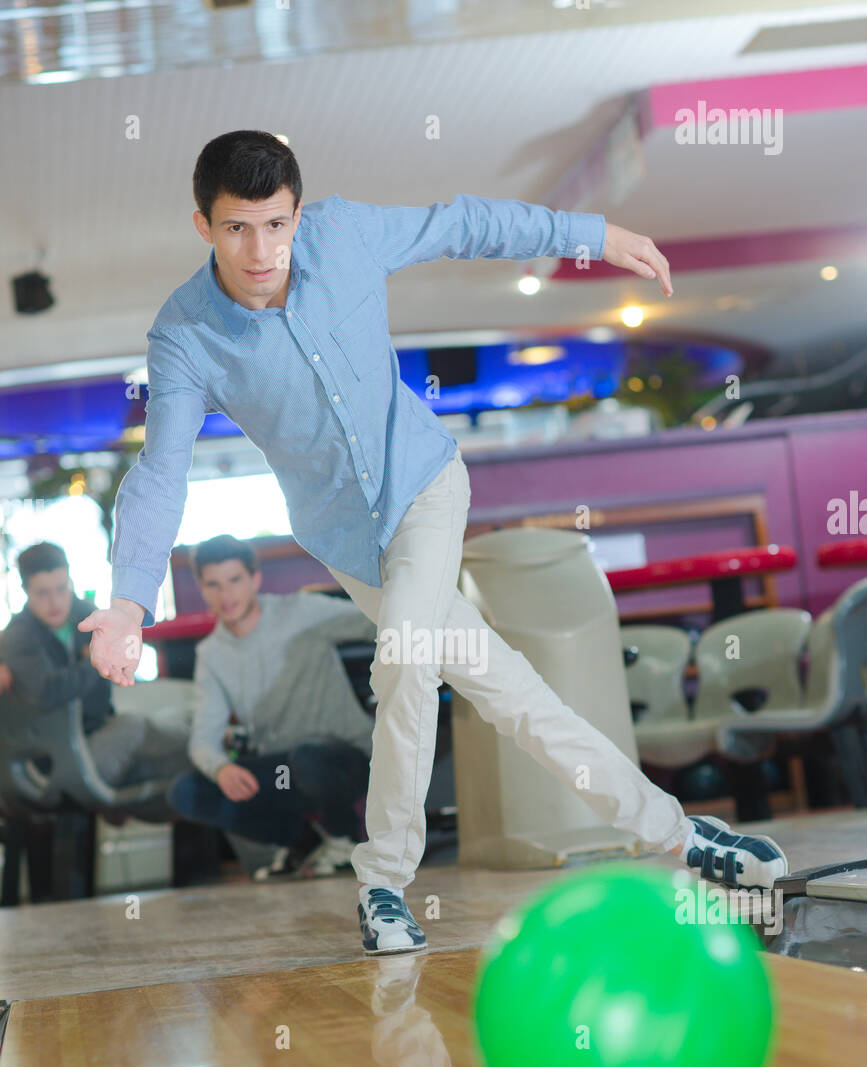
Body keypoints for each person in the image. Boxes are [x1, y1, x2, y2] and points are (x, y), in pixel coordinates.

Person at [80, 129, 788, 955]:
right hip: (348, 541)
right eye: (237, 228)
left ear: (298, 215)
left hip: (422, 486)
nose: (260, 249)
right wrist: (129, 598)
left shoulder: (344, 233)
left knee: (406, 663)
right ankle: (682, 835)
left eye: (275, 224)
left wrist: (595, 237)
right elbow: (163, 470)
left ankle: (381, 880)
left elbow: (464, 223)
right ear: (203, 226)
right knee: (513, 695)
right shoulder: (185, 335)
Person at [167, 534, 376, 879]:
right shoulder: (212, 655)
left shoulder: (300, 612)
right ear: (203, 590)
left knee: (309, 758)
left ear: (255, 579)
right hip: (286, 776)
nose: (226, 594)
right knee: (186, 791)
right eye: (214, 585)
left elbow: (375, 622)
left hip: (346, 760)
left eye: (235, 580)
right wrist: (221, 769)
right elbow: (203, 740)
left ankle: (345, 839)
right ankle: (302, 842)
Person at [0, 542, 189, 791]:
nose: (55, 601)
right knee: (140, 731)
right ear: (25, 590)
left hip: (97, 734)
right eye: (43, 593)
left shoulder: (86, 613)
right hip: (53, 759)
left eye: (61, 588)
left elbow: (109, 676)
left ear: (70, 581)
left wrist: (86, 669)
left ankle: (204, 752)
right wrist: (92, 662)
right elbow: (46, 693)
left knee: (170, 764)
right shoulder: (17, 636)